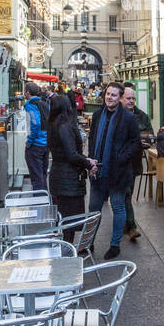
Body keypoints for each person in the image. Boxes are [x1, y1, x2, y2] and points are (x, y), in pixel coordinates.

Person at [87, 80, 141, 260]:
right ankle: (88, 243)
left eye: (114, 95)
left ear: (119, 98)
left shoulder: (128, 118)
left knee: (118, 208)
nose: (110, 97)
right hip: (98, 171)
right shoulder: (97, 116)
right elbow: (93, 138)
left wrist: (120, 157)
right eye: (108, 94)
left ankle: (115, 245)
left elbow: (135, 143)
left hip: (118, 173)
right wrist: (90, 161)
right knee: (94, 209)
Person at [48, 94, 93, 241]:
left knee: (63, 219)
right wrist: (88, 163)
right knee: (70, 223)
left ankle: (63, 252)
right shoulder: (65, 126)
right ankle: (68, 256)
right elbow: (72, 154)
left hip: (58, 177)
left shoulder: (52, 124)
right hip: (69, 180)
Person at [121, 83, 152, 243]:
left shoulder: (142, 116)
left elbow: (150, 135)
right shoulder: (115, 115)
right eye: (128, 98)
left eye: (133, 98)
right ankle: (131, 226)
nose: (131, 101)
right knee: (125, 194)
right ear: (121, 99)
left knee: (128, 194)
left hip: (134, 162)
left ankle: (126, 223)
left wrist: (143, 140)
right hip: (119, 163)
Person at [22, 82, 50, 192]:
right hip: (45, 144)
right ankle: (44, 201)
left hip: (36, 145)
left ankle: (40, 205)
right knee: (42, 176)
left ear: (28, 92)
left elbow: (35, 124)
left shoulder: (30, 105)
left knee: (37, 178)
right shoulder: (43, 103)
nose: (24, 93)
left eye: (25, 91)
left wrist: (29, 142)